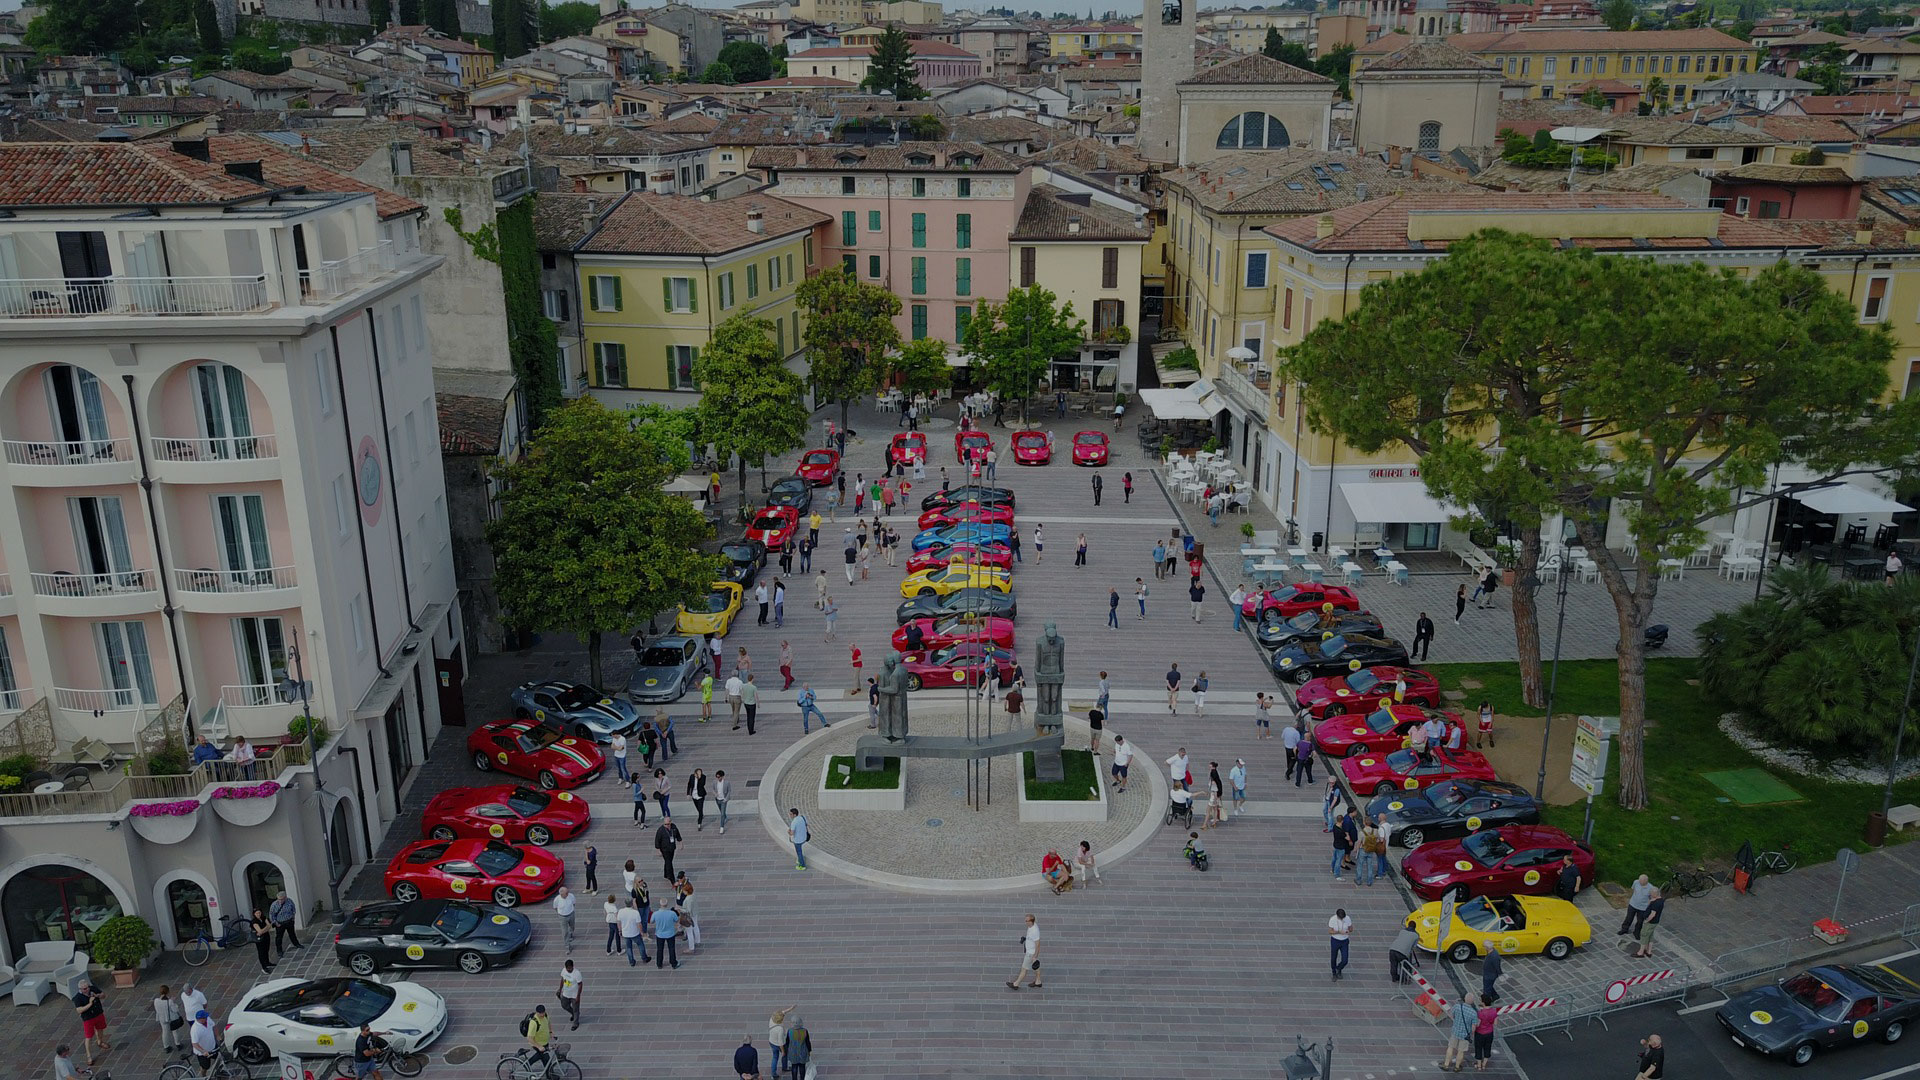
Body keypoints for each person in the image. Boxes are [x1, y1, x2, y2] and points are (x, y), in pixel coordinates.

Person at [72, 975, 110, 1064]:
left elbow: (103, 995)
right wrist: (90, 1004)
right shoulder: (77, 998)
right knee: (88, 1037)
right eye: (85, 989)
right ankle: (89, 1056)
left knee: (100, 1029)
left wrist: (97, 995)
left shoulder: (93, 989)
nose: (87, 989)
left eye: (88, 987)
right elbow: (79, 1010)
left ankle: (100, 1041)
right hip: (88, 1018)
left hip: (98, 1013)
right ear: (80, 989)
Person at [1008, 914, 1042, 989]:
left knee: (1024, 969)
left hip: (1030, 953)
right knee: (1036, 967)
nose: (1025, 922)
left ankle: (1016, 984)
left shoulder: (1035, 931)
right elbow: (1031, 938)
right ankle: (1038, 981)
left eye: (1027, 921)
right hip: (1031, 952)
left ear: (1031, 921)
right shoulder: (1031, 926)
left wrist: (1035, 956)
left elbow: (1038, 945)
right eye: (1025, 920)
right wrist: (1026, 938)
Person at [1445, 995, 1476, 1073]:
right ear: (1472, 1002)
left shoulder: (1457, 1006)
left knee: (1450, 1047)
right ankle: (1457, 1067)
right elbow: (1473, 1027)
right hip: (1465, 1035)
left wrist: (1456, 1021)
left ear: (1464, 999)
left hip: (1455, 1031)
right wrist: (1472, 1033)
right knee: (1461, 1051)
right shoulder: (1473, 1013)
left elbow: (1450, 1015)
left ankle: (1446, 1065)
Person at [1619, 873, 1654, 938]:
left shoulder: (1651, 888)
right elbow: (1633, 890)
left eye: (1642, 882)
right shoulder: (1636, 882)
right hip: (1633, 904)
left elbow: (1652, 898)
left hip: (1643, 908)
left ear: (1646, 881)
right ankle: (1624, 929)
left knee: (1640, 921)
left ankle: (1637, 932)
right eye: (1640, 881)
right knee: (1628, 918)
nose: (1640, 883)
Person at [1633, 889, 1665, 958]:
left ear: (1655, 894)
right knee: (1650, 935)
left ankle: (1641, 952)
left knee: (1644, 935)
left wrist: (1647, 920)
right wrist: (1650, 901)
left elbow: (1653, 914)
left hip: (1651, 922)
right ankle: (1649, 951)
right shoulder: (1660, 900)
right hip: (1655, 922)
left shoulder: (1656, 903)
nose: (1650, 895)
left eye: (1651, 894)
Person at [650, 899, 681, 969]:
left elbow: (651, 921)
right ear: (667, 905)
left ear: (660, 904)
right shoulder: (672, 913)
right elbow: (677, 920)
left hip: (659, 934)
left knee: (660, 949)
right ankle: (673, 963)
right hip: (670, 934)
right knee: (671, 949)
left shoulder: (656, 914)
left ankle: (659, 964)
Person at [617, 897, 648, 965]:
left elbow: (619, 922)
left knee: (629, 947)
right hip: (635, 933)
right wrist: (641, 932)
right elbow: (639, 924)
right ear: (632, 904)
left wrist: (620, 931)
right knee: (640, 945)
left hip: (625, 933)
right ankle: (644, 958)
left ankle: (631, 962)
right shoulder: (635, 912)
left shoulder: (621, 911)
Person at [768, 1006, 797, 1077]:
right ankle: (784, 1067)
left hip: (771, 1042)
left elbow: (783, 1012)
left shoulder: (772, 1019)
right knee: (785, 1055)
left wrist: (790, 1008)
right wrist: (783, 1051)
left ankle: (773, 1073)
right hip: (779, 1044)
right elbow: (780, 1043)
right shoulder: (779, 1029)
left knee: (775, 1057)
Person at [154, 984, 184, 1053]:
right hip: (171, 1019)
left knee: (165, 1032)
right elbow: (175, 1010)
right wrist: (174, 1002)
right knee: (175, 1031)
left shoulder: (156, 1001)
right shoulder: (169, 1001)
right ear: (167, 992)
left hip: (162, 1019)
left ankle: (166, 1046)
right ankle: (178, 1044)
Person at [522, 1004, 552, 1069]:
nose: (542, 1015)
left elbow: (548, 1023)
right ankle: (550, 1072)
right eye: (540, 1013)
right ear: (537, 1012)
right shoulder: (534, 1023)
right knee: (546, 1059)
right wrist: (539, 1047)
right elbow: (529, 1038)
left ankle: (527, 1064)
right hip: (538, 1043)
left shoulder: (546, 1015)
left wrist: (551, 1032)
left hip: (545, 1043)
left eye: (543, 1013)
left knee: (542, 1057)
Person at [1473, 995, 1498, 1071]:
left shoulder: (1480, 1013)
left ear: (1483, 1003)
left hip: (1480, 1033)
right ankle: (1484, 1064)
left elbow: (1478, 1024)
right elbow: (1495, 1023)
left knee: (1478, 1048)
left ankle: (1479, 1065)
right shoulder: (1494, 1011)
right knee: (1487, 1048)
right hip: (1489, 1033)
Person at [655, 815, 682, 880]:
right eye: (665, 824)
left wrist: (681, 843)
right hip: (665, 849)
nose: (667, 825)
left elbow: (678, 835)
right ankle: (672, 878)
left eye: (668, 824)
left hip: (672, 848)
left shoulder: (673, 827)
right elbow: (657, 840)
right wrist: (658, 850)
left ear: (670, 822)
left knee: (668, 861)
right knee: (669, 863)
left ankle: (666, 874)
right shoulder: (660, 830)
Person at [1328, 907, 1352, 980]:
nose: (1342, 919)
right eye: (1340, 918)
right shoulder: (1332, 919)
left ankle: (1339, 968)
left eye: (1343, 918)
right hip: (1335, 940)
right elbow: (1330, 931)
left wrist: (1348, 931)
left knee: (1345, 960)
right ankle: (1334, 972)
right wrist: (1338, 932)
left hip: (1344, 941)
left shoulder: (1347, 918)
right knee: (1333, 957)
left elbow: (1351, 928)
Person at [551, 885, 576, 953]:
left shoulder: (571, 896)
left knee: (572, 926)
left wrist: (571, 910)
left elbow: (574, 903)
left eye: (567, 892)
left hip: (571, 914)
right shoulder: (557, 899)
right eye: (566, 893)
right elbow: (555, 907)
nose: (568, 894)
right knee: (564, 932)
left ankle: (571, 934)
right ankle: (567, 946)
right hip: (562, 917)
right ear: (561, 894)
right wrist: (560, 914)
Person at [249, 908, 274, 972]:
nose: (258, 914)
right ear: (254, 914)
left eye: (259, 913)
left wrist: (263, 930)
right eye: (257, 913)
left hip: (266, 936)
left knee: (266, 950)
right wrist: (266, 927)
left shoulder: (263, 918)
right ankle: (264, 967)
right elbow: (260, 931)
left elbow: (269, 927)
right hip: (259, 940)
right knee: (261, 952)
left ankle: (267, 963)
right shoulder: (254, 922)